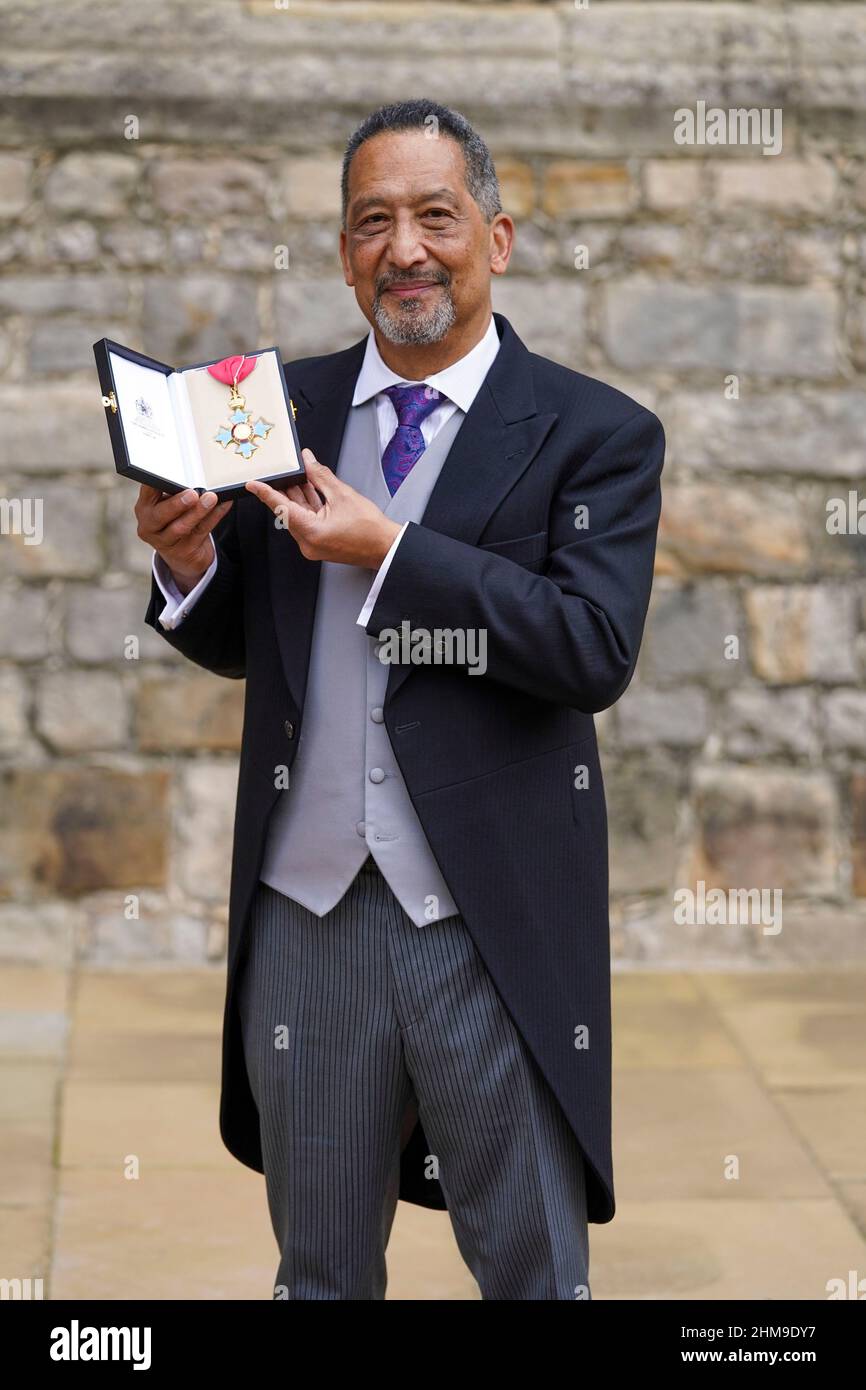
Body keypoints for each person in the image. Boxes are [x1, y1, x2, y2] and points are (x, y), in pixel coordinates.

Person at [136, 99, 665, 1301]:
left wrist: (391, 549)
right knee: (316, 1273)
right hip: (305, 914)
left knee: (532, 1270)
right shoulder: (261, 411)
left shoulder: (597, 433)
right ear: (341, 250)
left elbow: (590, 647)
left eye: (436, 215)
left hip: (491, 921)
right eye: (371, 221)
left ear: (499, 236)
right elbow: (244, 642)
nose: (404, 247)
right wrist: (183, 564)